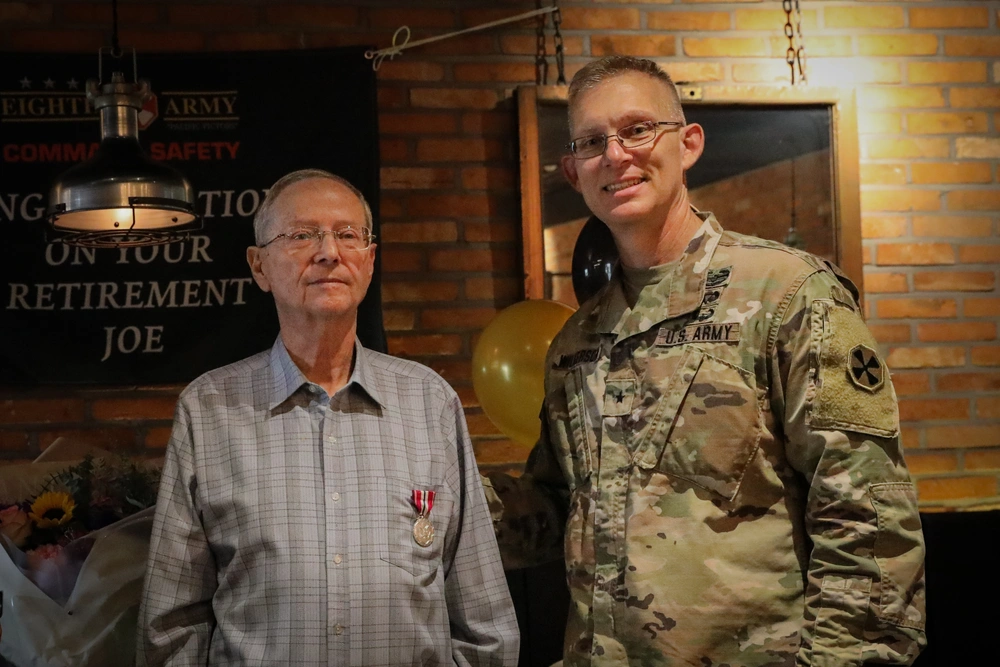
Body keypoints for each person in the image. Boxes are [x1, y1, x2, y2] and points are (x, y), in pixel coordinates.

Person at [485, 56, 926, 666]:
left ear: (688, 143)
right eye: (592, 142)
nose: (615, 155)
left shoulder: (786, 294)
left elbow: (867, 516)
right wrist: (442, 503)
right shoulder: (578, 342)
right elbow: (559, 507)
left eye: (638, 129)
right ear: (573, 171)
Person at [138, 169, 519, 666]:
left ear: (370, 259)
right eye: (301, 235)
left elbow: (483, 616)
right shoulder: (208, 410)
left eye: (347, 235)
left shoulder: (430, 402)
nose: (328, 252)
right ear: (259, 266)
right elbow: (172, 625)